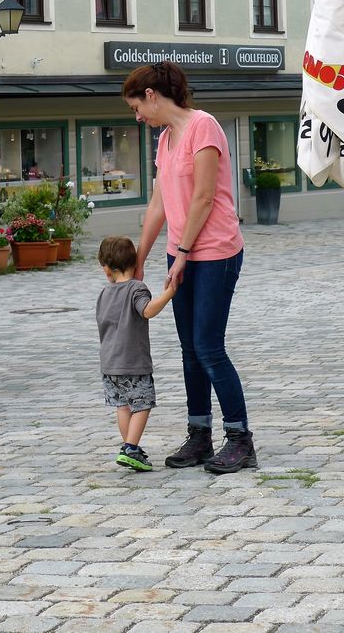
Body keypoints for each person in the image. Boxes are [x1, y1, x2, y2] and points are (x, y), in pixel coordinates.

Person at [123, 61, 256, 474]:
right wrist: (140, 259)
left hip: (215, 251)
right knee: (189, 350)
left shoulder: (204, 127)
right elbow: (159, 203)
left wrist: (182, 251)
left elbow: (204, 197)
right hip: (180, 253)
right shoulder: (165, 139)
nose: (137, 117)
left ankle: (240, 439)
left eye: (136, 107)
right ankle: (200, 435)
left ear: (151, 95)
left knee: (208, 346)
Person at [96, 235, 176, 472]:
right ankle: (130, 448)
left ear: (106, 269)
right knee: (142, 405)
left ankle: (130, 447)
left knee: (123, 406)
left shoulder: (104, 293)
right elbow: (147, 311)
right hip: (132, 363)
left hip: (109, 364)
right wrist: (169, 294)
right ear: (134, 262)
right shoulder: (137, 289)